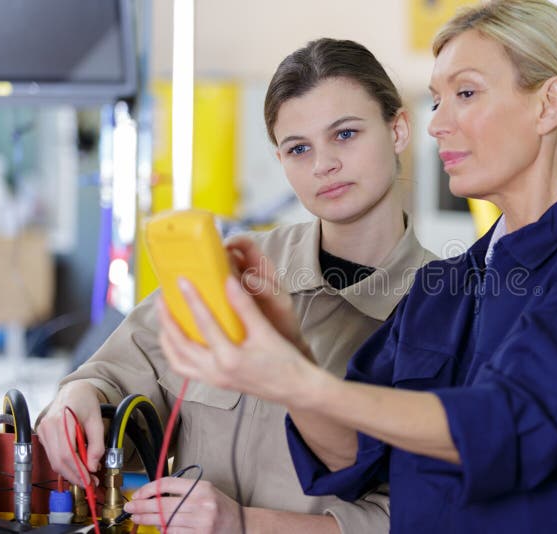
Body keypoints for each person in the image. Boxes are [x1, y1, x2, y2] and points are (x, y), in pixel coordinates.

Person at [158, 1, 557, 532]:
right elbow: (355, 453)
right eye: (437, 100)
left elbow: (515, 421)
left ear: (548, 105)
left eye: (465, 93)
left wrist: (303, 382)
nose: (436, 124)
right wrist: (288, 354)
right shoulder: (445, 286)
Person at [37, 38, 437, 533]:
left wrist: (242, 523)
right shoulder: (236, 266)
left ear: (397, 130)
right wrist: (77, 396)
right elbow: (115, 370)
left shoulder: (444, 307)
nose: (322, 165)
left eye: (346, 134)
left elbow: (421, 516)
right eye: (298, 148)